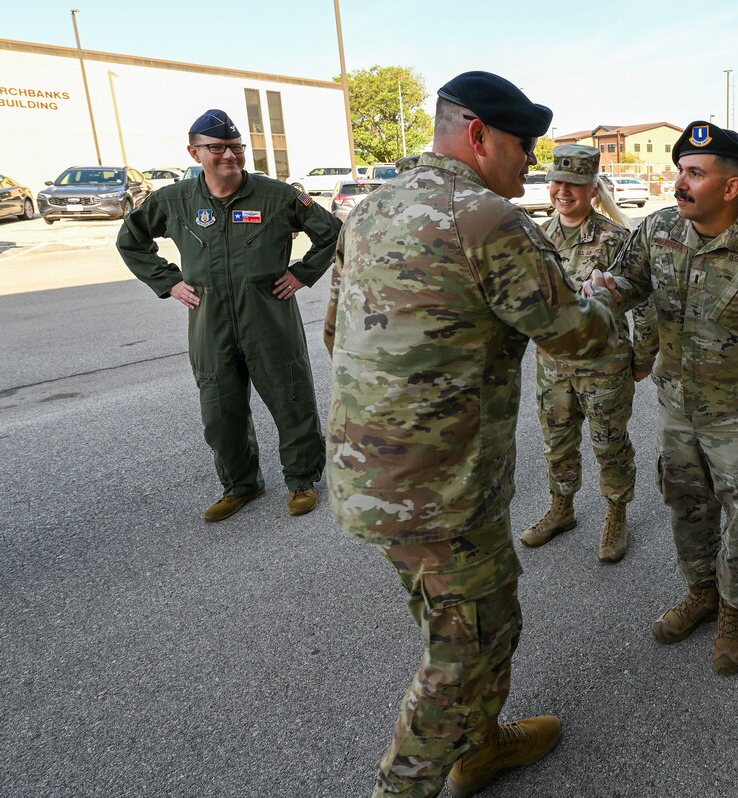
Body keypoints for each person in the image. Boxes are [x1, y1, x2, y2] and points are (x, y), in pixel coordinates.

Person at [325, 71, 622, 798]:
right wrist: (606, 300)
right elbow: (575, 335)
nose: (532, 162)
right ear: (478, 134)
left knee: (459, 619)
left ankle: (481, 746)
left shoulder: (369, 210)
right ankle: (407, 785)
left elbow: (337, 331)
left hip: (375, 479)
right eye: (524, 145)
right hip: (444, 494)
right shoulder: (486, 218)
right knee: (465, 651)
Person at [595, 120, 738, 674]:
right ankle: (701, 592)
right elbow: (624, 284)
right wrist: (597, 293)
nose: (681, 181)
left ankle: (735, 611)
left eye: (695, 173)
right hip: (677, 408)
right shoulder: (657, 232)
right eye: (680, 170)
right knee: (685, 504)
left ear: (730, 187)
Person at [117, 109, 340, 522]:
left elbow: (331, 233)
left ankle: (302, 481)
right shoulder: (174, 200)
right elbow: (131, 240)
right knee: (221, 411)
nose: (228, 156)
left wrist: (302, 274)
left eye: (235, 148)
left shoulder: (279, 196)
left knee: (292, 401)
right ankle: (241, 485)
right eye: (216, 148)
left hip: (269, 316)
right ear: (194, 152)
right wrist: (168, 282)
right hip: (209, 321)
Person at [520, 144, 643, 562]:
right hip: (551, 366)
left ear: (593, 189)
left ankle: (616, 514)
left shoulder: (616, 240)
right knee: (556, 443)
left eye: (575, 184)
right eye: (557, 181)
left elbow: (645, 302)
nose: (563, 191)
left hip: (603, 367)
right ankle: (562, 509)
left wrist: (642, 357)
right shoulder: (535, 237)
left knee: (609, 444)